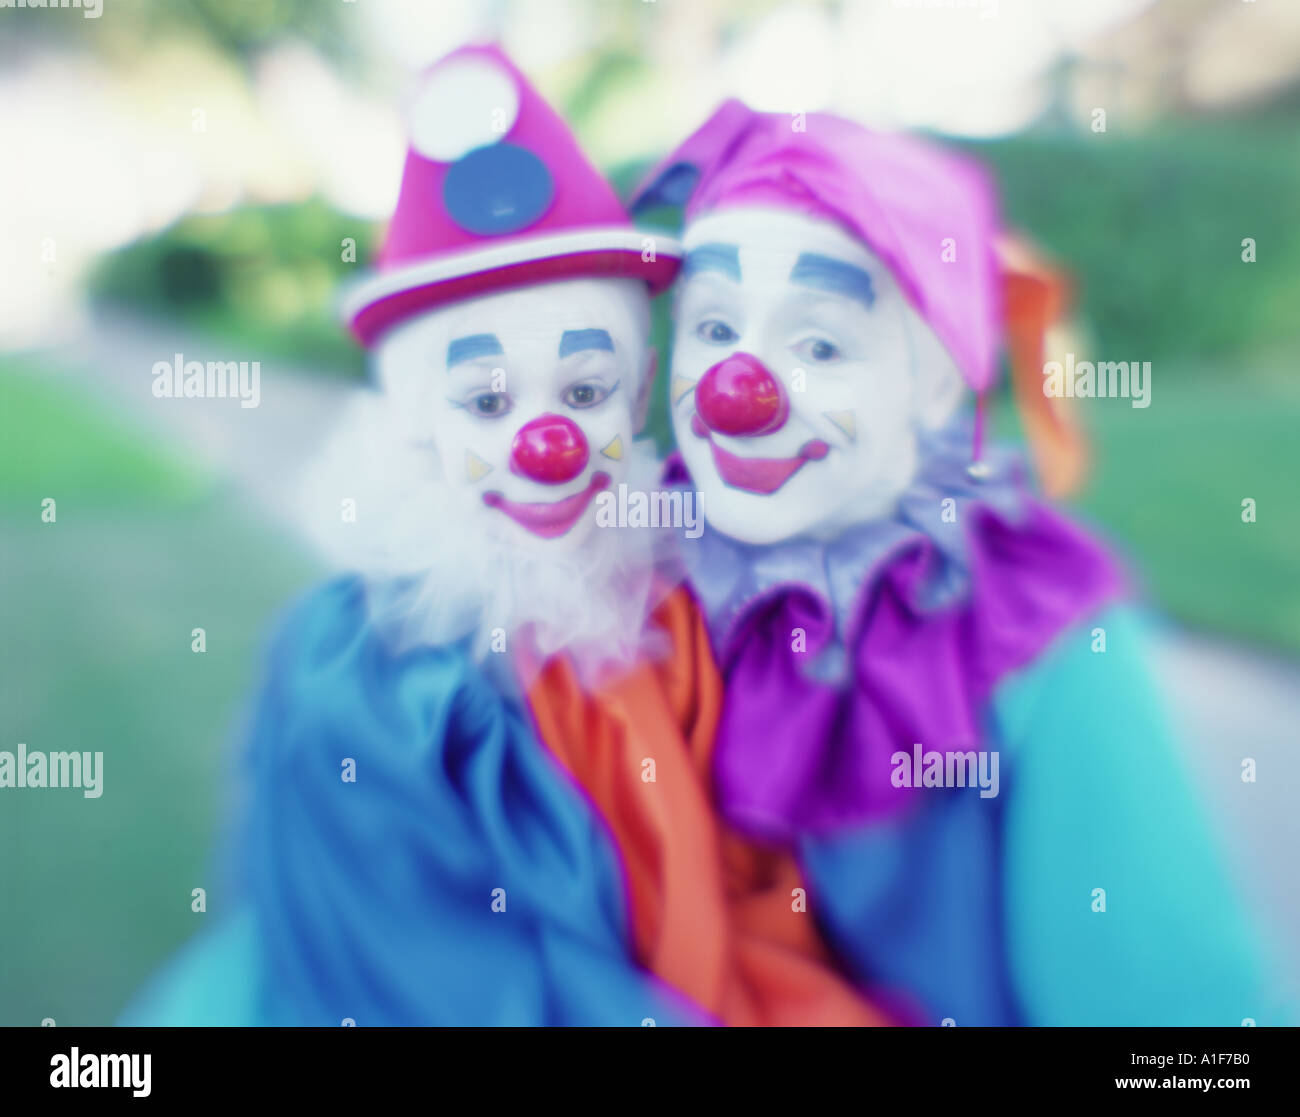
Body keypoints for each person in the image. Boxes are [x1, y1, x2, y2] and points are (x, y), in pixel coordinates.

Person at [123, 50, 888, 1028]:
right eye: (487, 401)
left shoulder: (680, 599)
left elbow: (765, 861)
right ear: (415, 421)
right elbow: (435, 970)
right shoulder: (353, 674)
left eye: (584, 392)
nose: (549, 443)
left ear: (636, 382)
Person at [632, 99, 1282, 1026]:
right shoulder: (621, 578)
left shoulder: (1034, 632)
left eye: (819, 342)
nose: (742, 388)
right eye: (714, 326)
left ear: (938, 383)